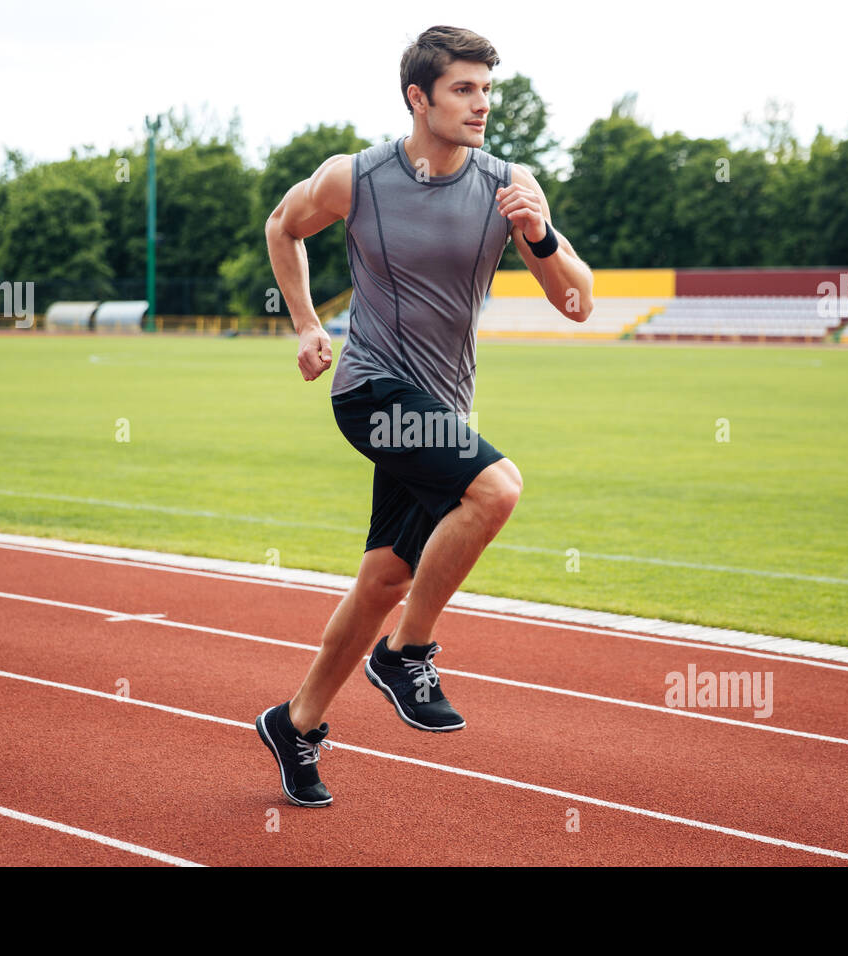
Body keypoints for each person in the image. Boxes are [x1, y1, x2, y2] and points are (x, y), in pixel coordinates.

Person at [256, 25, 594, 806]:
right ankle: (407, 653)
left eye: (487, 89)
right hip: (370, 390)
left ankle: (296, 722)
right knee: (497, 488)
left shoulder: (509, 184)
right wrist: (308, 323)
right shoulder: (356, 178)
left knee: (382, 579)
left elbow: (577, 301)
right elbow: (283, 225)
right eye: (464, 89)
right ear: (419, 97)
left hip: (443, 403)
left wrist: (538, 235)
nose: (482, 105)